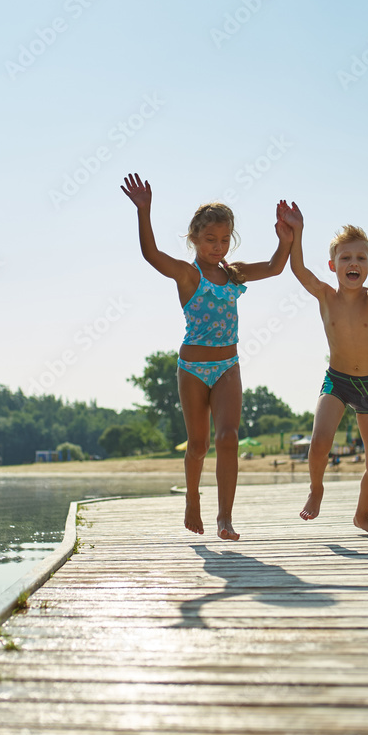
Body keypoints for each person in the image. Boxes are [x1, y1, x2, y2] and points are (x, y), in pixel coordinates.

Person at [122, 173, 292, 540]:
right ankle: (192, 499)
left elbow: (277, 266)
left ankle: (225, 518)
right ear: (195, 239)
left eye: (224, 239)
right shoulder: (188, 275)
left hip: (228, 366)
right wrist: (144, 211)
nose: (218, 246)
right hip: (193, 370)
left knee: (228, 438)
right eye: (210, 240)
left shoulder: (234, 274)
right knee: (197, 444)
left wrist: (287, 239)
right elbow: (151, 255)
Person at [279, 201, 368, 536]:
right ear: (333, 265)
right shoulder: (326, 296)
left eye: (360, 258)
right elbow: (299, 270)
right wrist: (297, 232)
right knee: (319, 443)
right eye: (346, 257)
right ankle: (316, 488)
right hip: (337, 382)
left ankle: (362, 515)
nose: (353, 263)